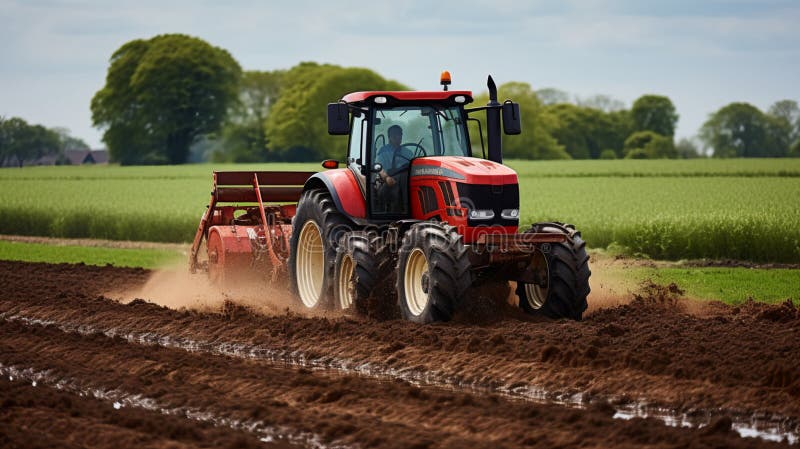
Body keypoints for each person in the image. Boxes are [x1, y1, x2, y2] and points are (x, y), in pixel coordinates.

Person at [374, 124, 413, 213]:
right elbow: (379, 167)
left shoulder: (407, 152)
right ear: (389, 137)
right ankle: (406, 211)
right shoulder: (383, 151)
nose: (398, 137)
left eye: (400, 134)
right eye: (395, 135)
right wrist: (387, 178)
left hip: (407, 180)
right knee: (402, 179)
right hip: (388, 180)